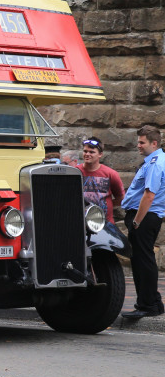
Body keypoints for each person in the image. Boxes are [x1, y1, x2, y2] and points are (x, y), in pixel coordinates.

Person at [120, 126, 165, 319]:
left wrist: (137, 221)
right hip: (147, 216)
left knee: (142, 260)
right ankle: (153, 302)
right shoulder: (154, 161)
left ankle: (146, 305)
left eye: (142, 142)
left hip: (145, 216)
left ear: (154, 143)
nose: (138, 146)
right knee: (143, 259)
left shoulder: (155, 163)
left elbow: (149, 195)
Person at [76, 137, 124, 224]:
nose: (87, 154)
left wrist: (105, 205)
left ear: (100, 154)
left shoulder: (110, 174)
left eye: (92, 152)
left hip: (104, 223)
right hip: (79, 222)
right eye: (85, 151)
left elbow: (121, 198)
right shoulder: (74, 172)